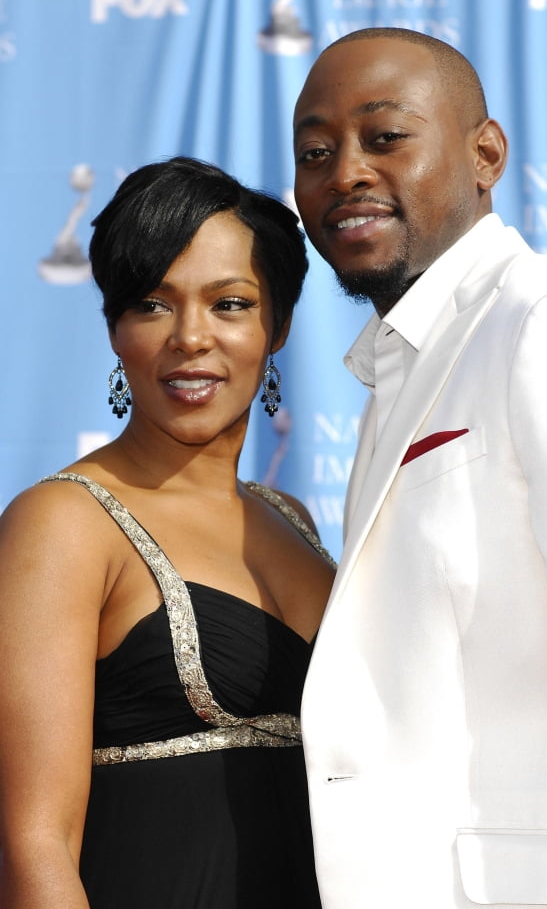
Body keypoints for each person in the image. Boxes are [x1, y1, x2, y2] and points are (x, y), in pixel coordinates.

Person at [292, 27, 547, 909]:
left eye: (386, 137)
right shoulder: (400, 366)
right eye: (315, 153)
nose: (346, 173)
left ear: (486, 155)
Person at [0, 156, 335, 909]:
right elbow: (34, 844)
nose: (190, 337)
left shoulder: (292, 520)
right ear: (116, 331)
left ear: (277, 326)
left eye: (230, 304)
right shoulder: (63, 523)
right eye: (152, 304)